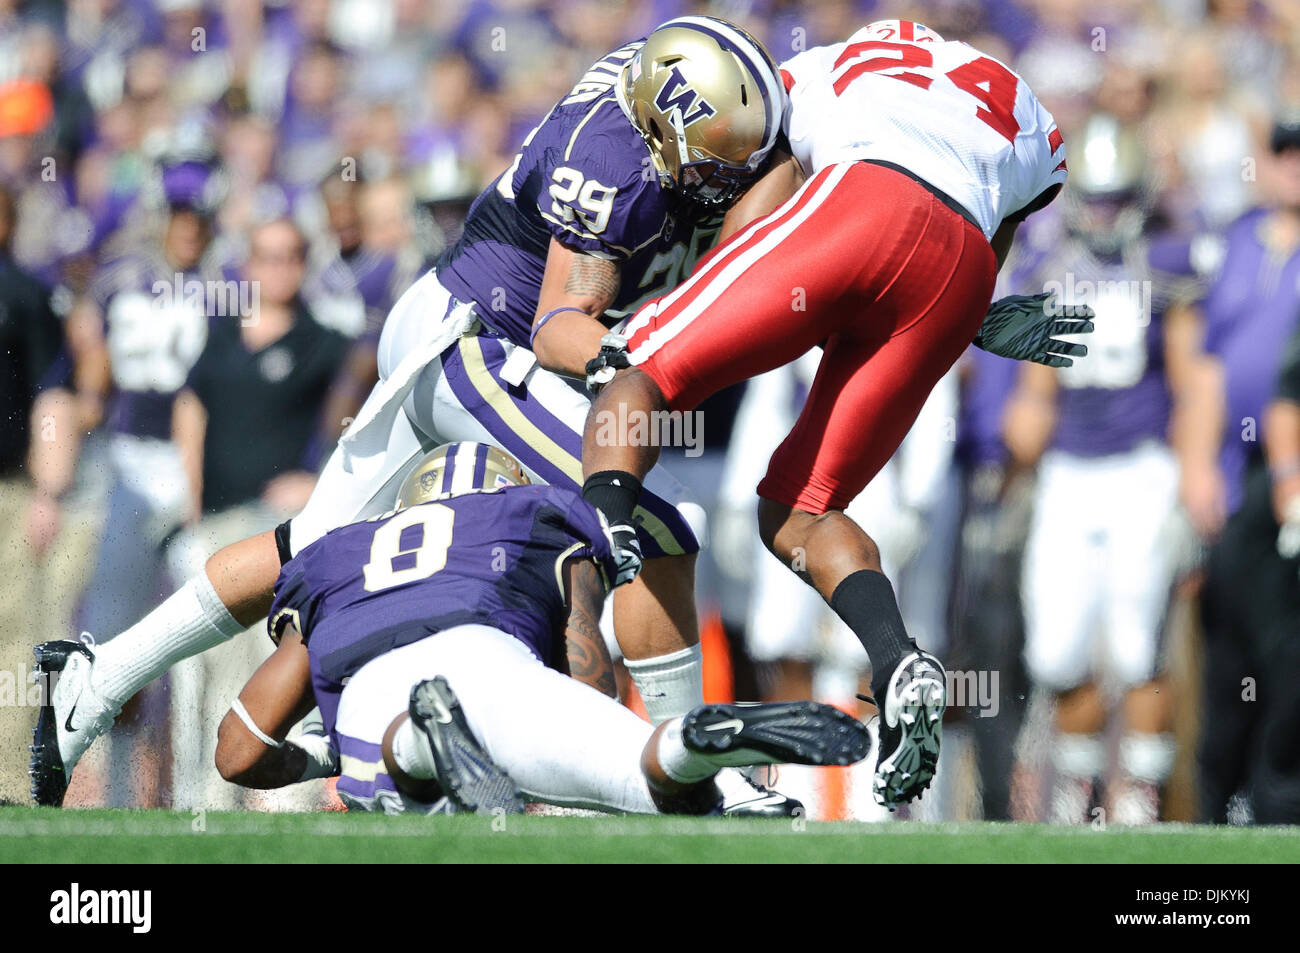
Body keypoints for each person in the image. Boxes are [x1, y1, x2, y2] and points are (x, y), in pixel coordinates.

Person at [30, 16, 794, 812]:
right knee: (659, 519)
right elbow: (561, 324)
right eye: (715, 156)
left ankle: (102, 674)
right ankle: (702, 779)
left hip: (447, 324)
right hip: (484, 339)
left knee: (314, 548)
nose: (727, 176)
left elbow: (770, 167)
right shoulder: (611, 164)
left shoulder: (665, 105)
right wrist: (637, 365)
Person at [572, 18, 1090, 810]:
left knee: (641, 364)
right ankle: (895, 658)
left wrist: (718, 299)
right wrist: (978, 315)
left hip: (859, 205)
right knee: (801, 509)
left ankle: (601, 546)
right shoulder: (1025, 112)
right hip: (955, 275)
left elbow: (767, 199)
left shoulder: (829, 61)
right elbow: (992, 230)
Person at [211, 442, 871, 815]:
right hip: (494, 658)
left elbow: (239, 750)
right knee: (643, 778)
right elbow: (589, 671)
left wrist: (319, 753)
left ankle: (417, 737)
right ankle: (708, 764)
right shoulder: (538, 512)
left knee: (389, 786)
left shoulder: (338, 551)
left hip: (378, 684)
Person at [1002, 114, 1210, 825]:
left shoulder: (1165, 263)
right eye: (1095, 196)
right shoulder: (1046, 265)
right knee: (1059, 647)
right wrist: (1012, 447)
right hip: (1069, 471)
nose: (1103, 213)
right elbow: (1034, 396)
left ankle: (1137, 800)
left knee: (1139, 639)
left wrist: (1191, 477)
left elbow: (1190, 385)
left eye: (1117, 197)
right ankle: (1074, 792)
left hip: (1141, 469)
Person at [1176, 114, 1300, 824]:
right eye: (1285, 150)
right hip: (1239, 470)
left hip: (1288, 472)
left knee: (1287, 648)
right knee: (1233, 653)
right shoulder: (1238, 242)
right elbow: (1209, 368)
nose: (1294, 163)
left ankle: (1276, 799)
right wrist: (1198, 466)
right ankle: (1219, 806)